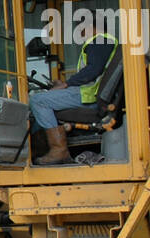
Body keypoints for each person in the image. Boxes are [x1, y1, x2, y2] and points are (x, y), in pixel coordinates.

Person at [30, 31, 118, 165]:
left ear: (88, 26)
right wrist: (65, 85)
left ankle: (58, 150)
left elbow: (92, 71)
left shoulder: (100, 41)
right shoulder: (104, 41)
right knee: (44, 102)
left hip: (88, 96)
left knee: (38, 101)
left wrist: (66, 84)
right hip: (89, 93)